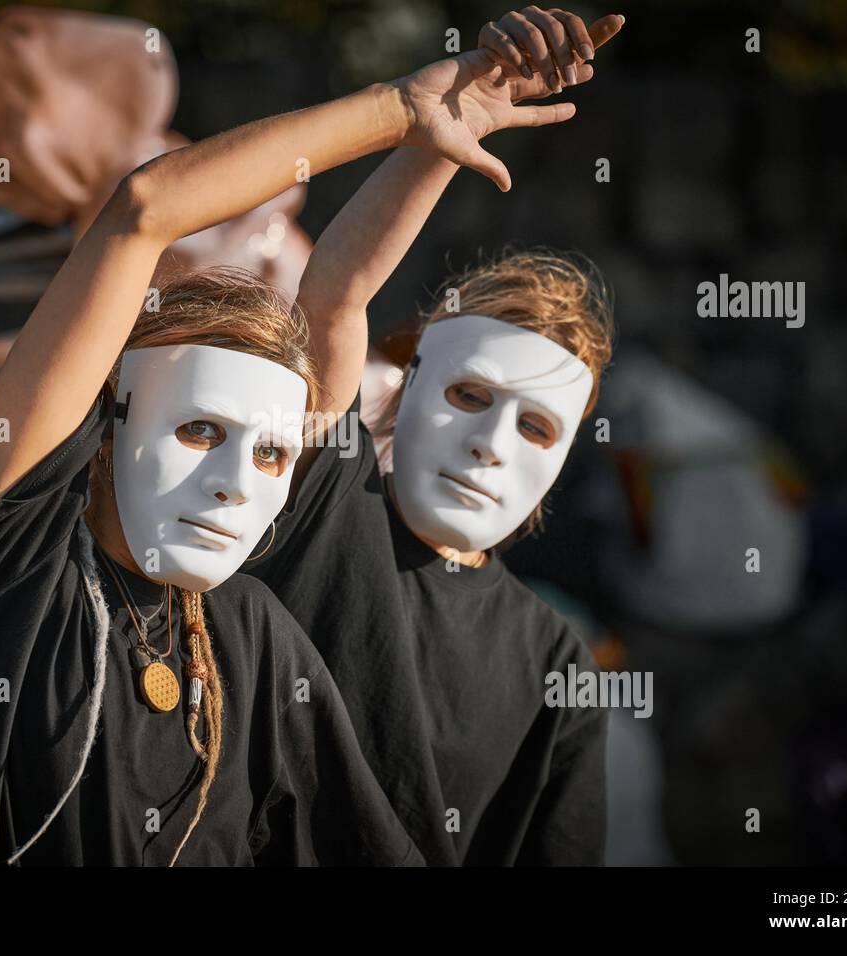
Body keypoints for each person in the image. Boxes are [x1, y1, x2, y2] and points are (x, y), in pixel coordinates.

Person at [0, 15, 583, 866]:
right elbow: (144, 216)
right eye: (199, 429)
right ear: (105, 427)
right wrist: (400, 109)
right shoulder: (12, 557)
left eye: (271, 454)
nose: (232, 484)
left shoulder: (249, 641)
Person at [244, 9, 625, 865]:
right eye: (469, 393)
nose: (492, 442)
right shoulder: (323, 505)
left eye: (535, 424)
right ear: (407, 389)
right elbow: (335, 293)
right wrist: (439, 126)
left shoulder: (557, 661)